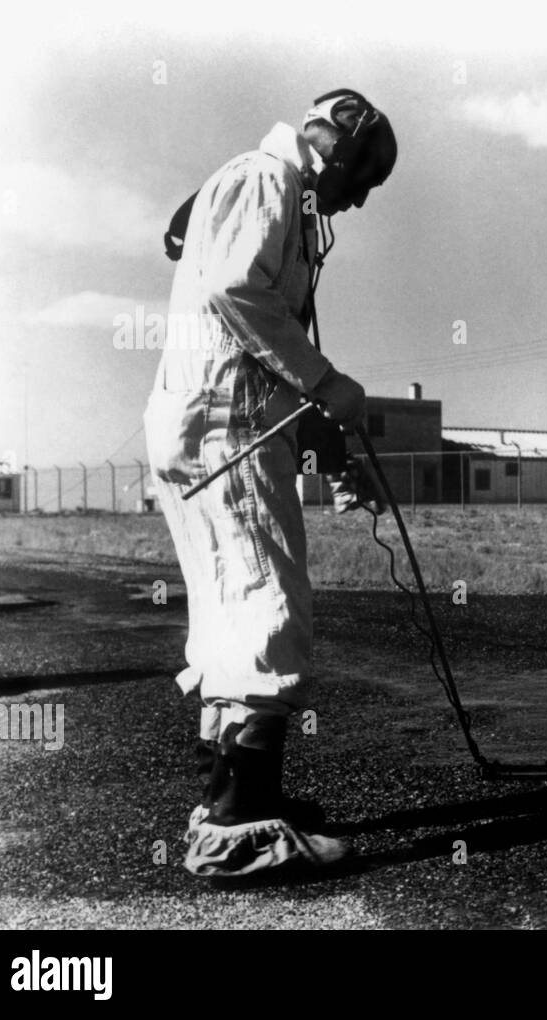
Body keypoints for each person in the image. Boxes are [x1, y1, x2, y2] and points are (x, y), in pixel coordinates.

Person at [144, 89, 397, 877]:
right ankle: (237, 829)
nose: (354, 202)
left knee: (228, 614)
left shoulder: (262, 186)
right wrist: (330, 382)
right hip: (229, 434)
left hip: (205, 425)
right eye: (362, 182)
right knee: (270, 613)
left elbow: (233, 307)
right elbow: (235, 290)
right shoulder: (267, 179)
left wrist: (331, 448)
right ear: (338, 154)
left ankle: (232, 797)